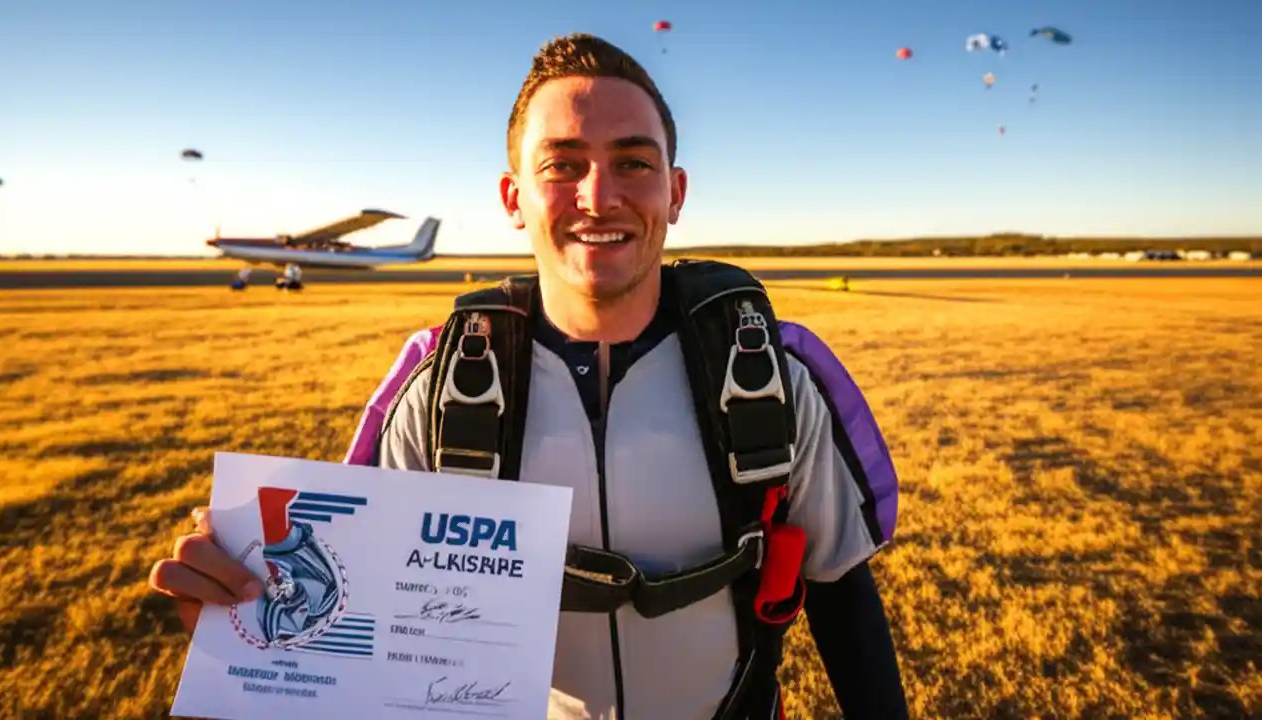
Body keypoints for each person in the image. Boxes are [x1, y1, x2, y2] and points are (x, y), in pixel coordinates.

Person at [150, 33, 907, 720]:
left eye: (633, 163)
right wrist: (248, 617)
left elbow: (838, 586)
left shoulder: (770, 373)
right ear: (514, 197)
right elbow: (363, 609)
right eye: (563, 165)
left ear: (675, 192)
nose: (599, 196)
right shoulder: (438, 387)